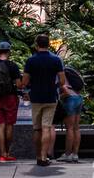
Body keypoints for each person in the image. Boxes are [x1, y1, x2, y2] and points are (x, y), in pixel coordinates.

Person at [20, 32, 70, 167]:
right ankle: (44, 156)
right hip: (51, 97)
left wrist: (29, 87)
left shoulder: (31, 60)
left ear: (36, 45)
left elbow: (24, 81)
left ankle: (37, 156)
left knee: (37, 129)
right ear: (49, 45)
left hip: (35, 97)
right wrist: (54, 86)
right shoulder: (56, 60)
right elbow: (62, 80)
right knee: (47, 127)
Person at [0, 40, 22, 162]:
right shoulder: (12, 66)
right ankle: (7, 152)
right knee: (9, 125)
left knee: (1, 125)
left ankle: (2, 153)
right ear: (9, 51)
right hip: (10, 98)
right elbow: (19, 85)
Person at [60, 62, 85, 162]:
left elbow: (65, 91)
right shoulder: (71, 72)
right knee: (76, 128)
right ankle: (75, 154)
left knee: (69, 128)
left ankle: (67, 154)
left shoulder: (61, 74)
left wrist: (59, 98)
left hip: (70, 100)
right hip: (78, 98)